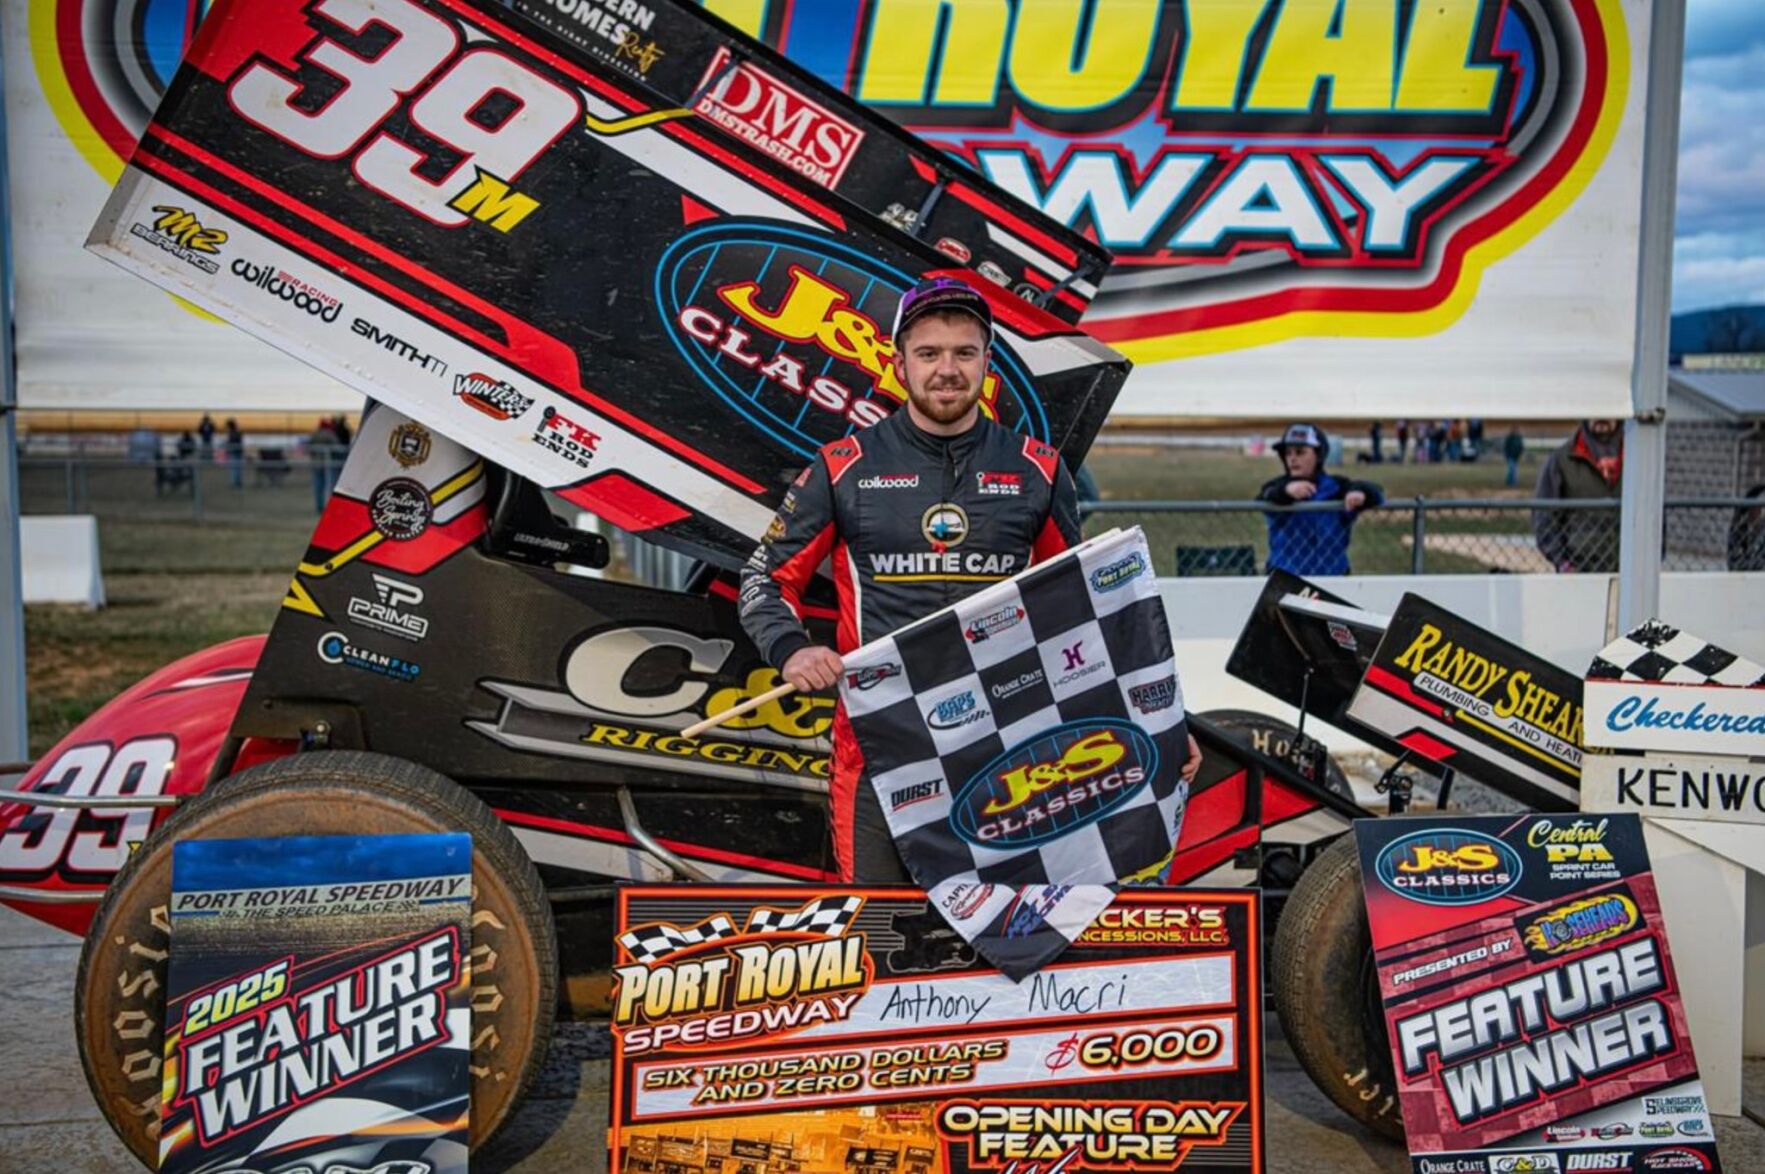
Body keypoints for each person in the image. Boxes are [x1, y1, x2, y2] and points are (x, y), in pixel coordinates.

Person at [740, 276, 1201, 881]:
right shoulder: (842, 467)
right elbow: (764, 580)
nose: (947, 370)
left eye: (965, 353)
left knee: (1006, 948)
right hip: (881, 753)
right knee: (882, 941)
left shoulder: (1037, 469)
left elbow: (1086, 608)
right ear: (899, 364)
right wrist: (793, 650)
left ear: (988, 363)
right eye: (929, 353)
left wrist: (1162, 719)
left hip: (1012, 753)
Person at [1257, 422, 1384, 576]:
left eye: (1300, 452)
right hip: (1286, 579)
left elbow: (1376, 492)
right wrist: (1286, 491)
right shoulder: (1277, 486)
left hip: (1332, 577)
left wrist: (1359, 493)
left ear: (1318, 455)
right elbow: (1265, 496)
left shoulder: (1336, 487)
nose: (1293, 459)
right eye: (1288, 453)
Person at [1532, 420, 1622, 573]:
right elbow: (1544, 516)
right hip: (1579, 571)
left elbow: (1655, 515)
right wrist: (1562, 562)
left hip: (1630, 573)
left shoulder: (1639, 457)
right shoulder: (1563, 459)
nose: (1601, 416)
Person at [224, 418, 246, 489]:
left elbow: (230, 443)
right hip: (238, 451)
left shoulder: (232, 433)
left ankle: (236, 483)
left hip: (234, 452)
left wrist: (227, 450)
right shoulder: (238, 432)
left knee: (234, 469)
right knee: (238, 468)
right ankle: (238, 482)